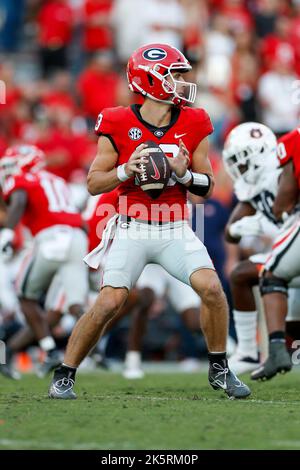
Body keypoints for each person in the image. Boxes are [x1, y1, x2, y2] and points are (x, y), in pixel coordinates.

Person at [49, 43, 251, 399]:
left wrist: (183, 175)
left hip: (175, 227)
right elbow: (94, 182)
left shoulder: (194, 120)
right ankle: (65, 373)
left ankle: (219, 368)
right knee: (109, 303)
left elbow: (207, 186)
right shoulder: (117, 120)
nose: (181, 82)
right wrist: (127, 169)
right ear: (151, 80)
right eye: (174, 75)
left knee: (213, 290)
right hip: (133, 226)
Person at [0, 144, 88, 378]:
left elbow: (18, 201)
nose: (8, 171)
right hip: (77, 238)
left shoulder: (22, 179)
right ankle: (90, 353)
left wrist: (7, 234)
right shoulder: (56, 180)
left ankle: (49, 350)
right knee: (78, 306)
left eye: (11, 165)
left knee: (24, 296)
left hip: (50, 239)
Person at [222, 122, 300, 375]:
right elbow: (231, 232)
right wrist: (243, 227)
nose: (238, 168)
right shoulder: (253, 186)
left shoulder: (280, 169)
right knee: (241, 274)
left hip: (292, 247)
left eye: (240, 161)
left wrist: (260, 224)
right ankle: (247, 352)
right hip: (288, 251)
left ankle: (251, 352)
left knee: (291, 329)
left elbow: (284, 211)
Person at [251, 127, 300, 380]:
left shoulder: (294, 139)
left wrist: (280, 213)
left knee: (271, 274)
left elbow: (284, 201)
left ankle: (277, 350)